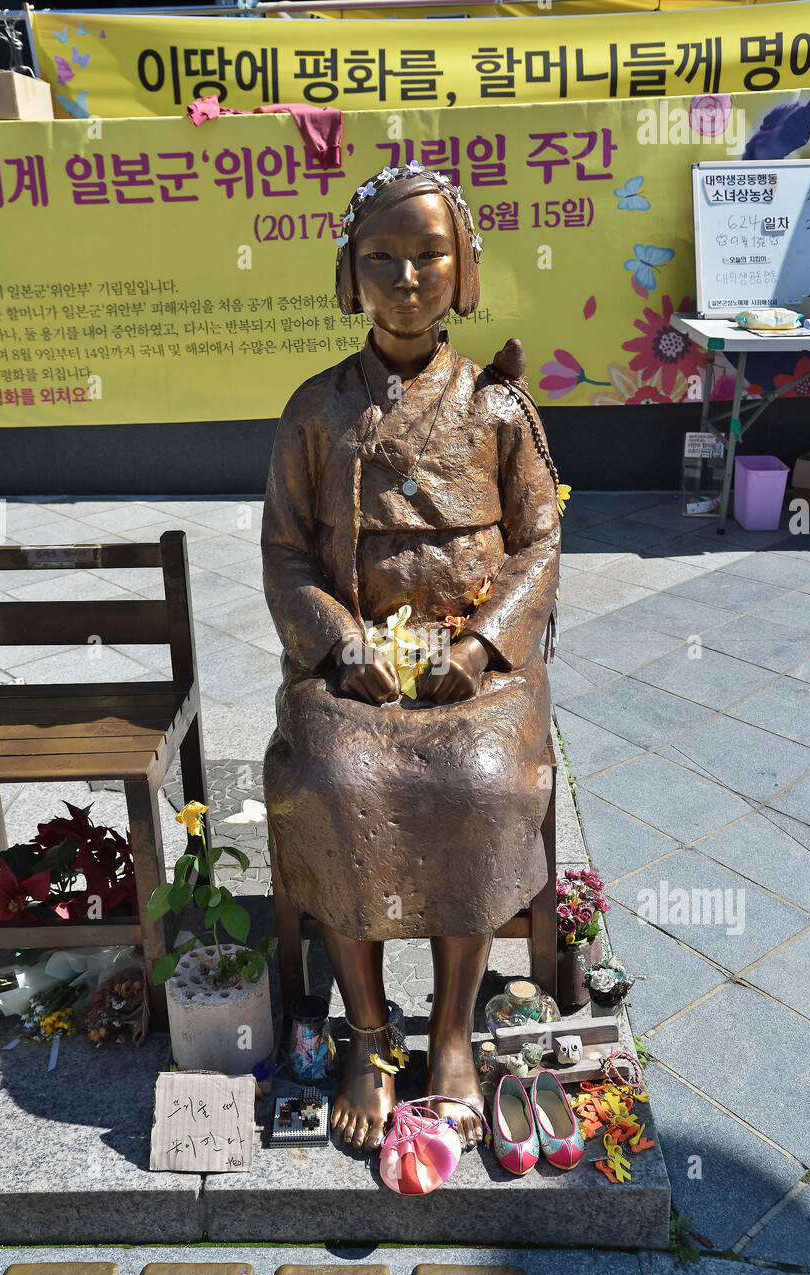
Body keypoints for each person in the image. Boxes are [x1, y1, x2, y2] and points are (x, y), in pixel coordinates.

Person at [261, 163, 561, 1153]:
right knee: (339, 779)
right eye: (380, 258)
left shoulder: (498, 408)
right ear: (349, 273)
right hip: (352, 674)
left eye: (428, 254)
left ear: (463, 267)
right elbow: (284, 550)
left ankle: (455, 1028)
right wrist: (340, 645)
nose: (405, 277)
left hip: (472, 677)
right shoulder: (312, 410)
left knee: (478, 781)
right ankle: (371, 1032)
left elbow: (539, 543)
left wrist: (479, 647)